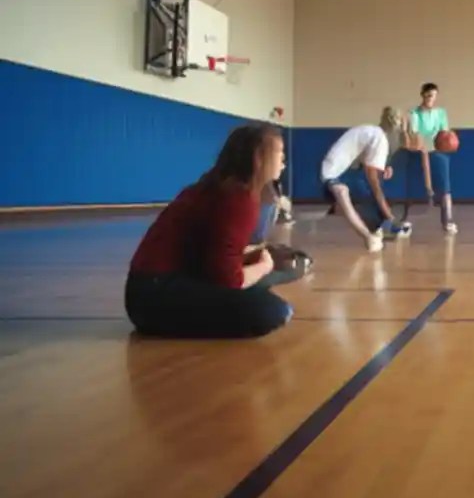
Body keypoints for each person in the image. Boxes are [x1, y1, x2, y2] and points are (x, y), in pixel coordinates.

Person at [125, 123, 298, 338]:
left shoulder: (215, 187)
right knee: (273, 310)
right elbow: (229, 280)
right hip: (156, 295)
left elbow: (210, 256)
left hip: (147, 290)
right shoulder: (237, 199)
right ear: (259, 158)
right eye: (279, 153)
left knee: (285, 269)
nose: (283, 161)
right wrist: (264, 265)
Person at [321, 107, 407, 252]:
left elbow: (364, 161)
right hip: (332, 175)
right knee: (358, 194)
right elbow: (373, 180)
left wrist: (385, 166)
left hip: (336, 171)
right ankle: (370, 236)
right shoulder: (380, 138)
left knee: (364, 195)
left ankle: (375, 226)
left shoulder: (371, 131)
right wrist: (387, 213)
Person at [408, 82, 458, 235]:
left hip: (437, 151)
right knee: (412, 188)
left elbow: (444, 133)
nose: (431, 98)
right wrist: (421, 148)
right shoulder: (414, 113)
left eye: (434, 96)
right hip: (419, 152)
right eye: (429, 95)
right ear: (423, 95)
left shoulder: (441, 113)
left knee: (444, 187)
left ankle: (447, 221)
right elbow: (415, 134)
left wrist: (447, 141)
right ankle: (406, 221)